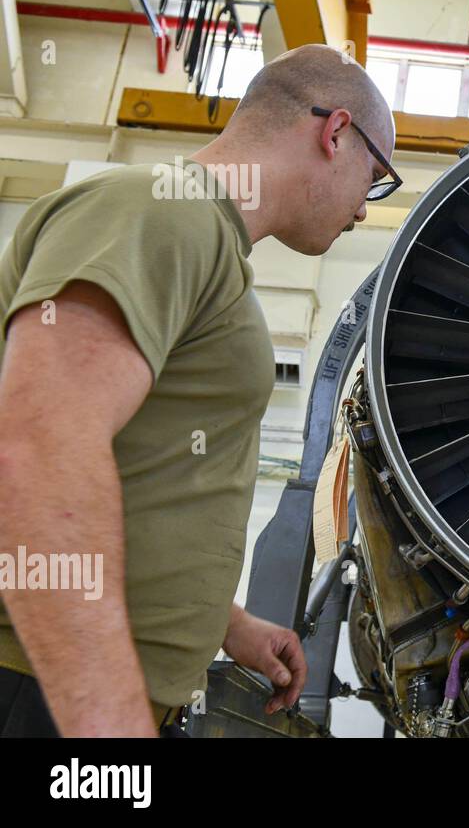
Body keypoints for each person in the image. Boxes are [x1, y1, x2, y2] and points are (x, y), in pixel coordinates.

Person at [0, 44, 399, 736]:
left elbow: (147, 473)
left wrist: (225, 622)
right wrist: (107, 722)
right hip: (40, 689)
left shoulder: (211, 251)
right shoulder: (159, 210)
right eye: (377, 176)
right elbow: (40, 452)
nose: (366, 210)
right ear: (335, 133)